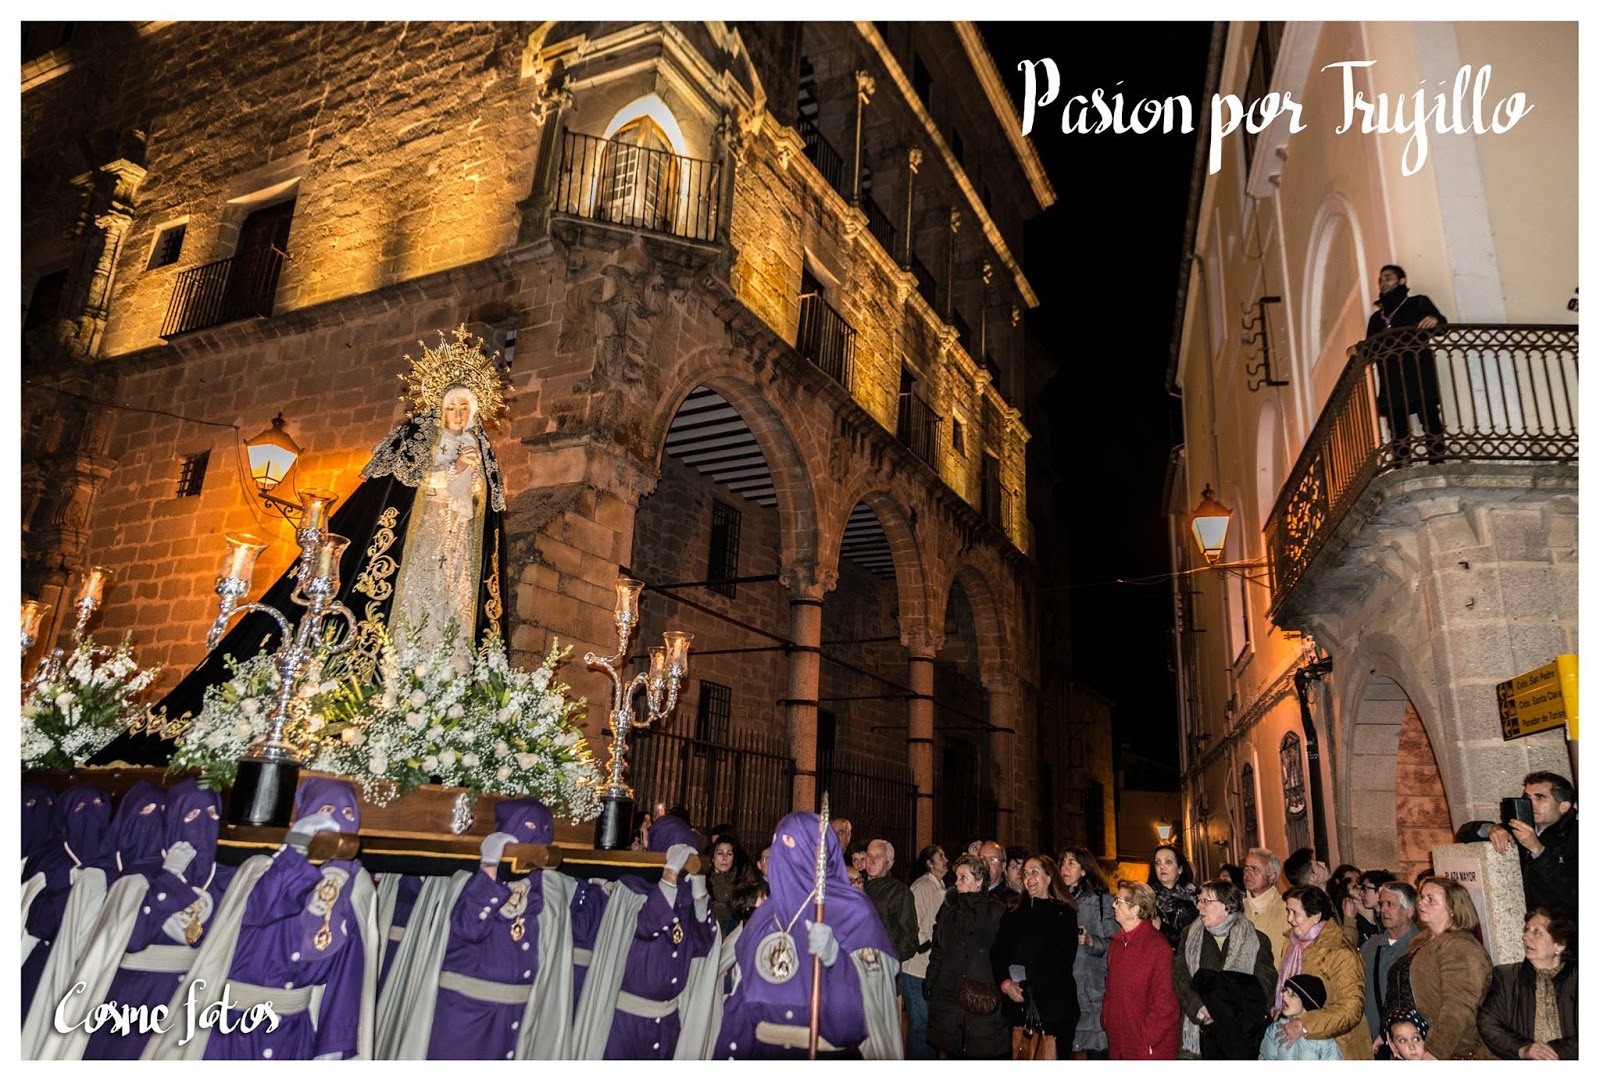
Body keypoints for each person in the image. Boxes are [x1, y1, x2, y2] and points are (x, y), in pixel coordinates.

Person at [100, 328, 510, 764]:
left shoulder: (482, 454)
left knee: (448, 642)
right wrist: (445, 477)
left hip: (456, 569)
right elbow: (393, 496)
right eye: (452, 404)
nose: (459, 412)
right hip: (408, 561)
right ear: (439, 404)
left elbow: (485, 520)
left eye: (467, 406)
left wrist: (468, 479)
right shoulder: (411, 440)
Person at [142, 777, 379, 1059]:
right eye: (325, 811)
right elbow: (260, 909)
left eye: (348, 814)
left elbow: (348, 976)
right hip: (228, 1031)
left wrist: (332, 1049)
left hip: (291, 1038)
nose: (336, 822)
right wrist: (296, 851)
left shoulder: (353, 888)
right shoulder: (260, 870)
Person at [38, 779, 229, 1060]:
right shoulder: (142, 872)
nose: (202, 823)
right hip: (136, 996)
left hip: (191, 997)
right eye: (190, 815)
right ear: (172, 820)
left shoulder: (223, 876)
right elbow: (135, 936)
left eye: (213, 814)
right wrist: (168, 878)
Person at [374, 797, 573, 1059]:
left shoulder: (546, 889)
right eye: (528, 827)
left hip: (516, 1017)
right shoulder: (469, 881)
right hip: (464, 1017)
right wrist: (490, 868)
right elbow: (468, 928)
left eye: (545, 831)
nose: (536, 839)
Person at [710, 809, 902, 1058]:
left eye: (794, 843)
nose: (785, 852)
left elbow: (875, 998)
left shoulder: (853, 909)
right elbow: (741, 993)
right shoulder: (766, 914)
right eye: (781, 842)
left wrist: (837, 961)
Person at [569, 813, 721, 1059]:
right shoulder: (631, 888)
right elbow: (646, 926)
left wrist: (701, 893)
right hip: (627, 1022)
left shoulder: (687, 898)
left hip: (667, 1022)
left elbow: (703, 945)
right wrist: (669, 877)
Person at [1383, 876, 1493, 1059]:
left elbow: (1459, 1006)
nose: (1422, 902)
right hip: (1413, 1043)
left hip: (1453, 1052)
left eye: (1431, 900)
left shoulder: (1461, 947)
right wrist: (1389, 1033)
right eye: (1422, 896)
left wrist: (1435, 1050)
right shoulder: (1423, 940)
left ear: (1452, 909)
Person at [1348, 263, 1449, 456]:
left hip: (1418, 369)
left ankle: (1437, 458)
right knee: (1397, 424)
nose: (1383, 283)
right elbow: (1369, 348)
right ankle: (1401, 463)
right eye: (1380, 280)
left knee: (1428, 416)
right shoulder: (1377, 318)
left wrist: (1435, 320)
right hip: (1391, 376)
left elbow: (1441, 328)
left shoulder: (1418, 303)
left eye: (1388, 278)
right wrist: (1357, 349)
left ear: (1402, 280)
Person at [1170, 878, 1276, 1059]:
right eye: (1199, 900)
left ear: (1227, 906)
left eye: (1206, 901)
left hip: (1240, 1038)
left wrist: (1225, 1012)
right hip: (1199, 1034)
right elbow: (1180, 977)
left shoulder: (1256, 939)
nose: (1198, 907)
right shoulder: (1189, 935)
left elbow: (1264, 984)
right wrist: (1201, 1008)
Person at [992, 855, 1079, 1059]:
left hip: (1054, 1007)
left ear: (1049, 877)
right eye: (1025, 874)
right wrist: (1005, 984)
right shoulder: (1013, 911)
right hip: (1017, 1004)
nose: (1028, 877)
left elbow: (1062, 960)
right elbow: (997, 952)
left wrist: (1031, 987)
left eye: (1034, 872)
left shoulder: (1064, 913)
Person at [1458, 771, 1578, 918]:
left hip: (1561, 926)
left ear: (1564, 806)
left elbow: (1572, 892)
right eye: (1527, 798)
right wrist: (1491, 829)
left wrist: (1537, 850)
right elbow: (1464, 833)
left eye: (1540, 798)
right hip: (1518, 918)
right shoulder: (1519, 826)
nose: (1530, 804)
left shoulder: (1576, 835)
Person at [1272, 886, 1372, 1060]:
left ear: (1316, 916)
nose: (1289, 919)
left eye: (1295, 913)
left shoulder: (1340, 952)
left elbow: (1351, 1009)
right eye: (1288, 911)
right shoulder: (1292, 944)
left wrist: (1305, 1024)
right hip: (1296, 1045)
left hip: (1338, 1046)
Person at [925, 853, 1008, 1058]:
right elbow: (938, 948)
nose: (957, 882)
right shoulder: (949, 908)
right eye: (957, 877)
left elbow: (1005, 953)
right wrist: (930, 981)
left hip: (981, 997)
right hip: (948, 992)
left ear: (979, 881)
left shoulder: (996, 910)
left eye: (964, 877)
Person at [1476, 908, 1577, 1060]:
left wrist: (1553, 1052)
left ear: (1559, 945)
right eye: (1526, 930)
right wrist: (1523, 1048)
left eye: (1536, 932)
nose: (1525, 936)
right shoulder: (1506, 977)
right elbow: (1488, 1022)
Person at [1101, 881, 1180, 1060]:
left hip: (1148, 1048)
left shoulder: (1157, 947)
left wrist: (1146, 1037)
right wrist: (1108, 1020)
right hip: (1119, 1044)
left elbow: (1165, 1003)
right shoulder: (1116, 944)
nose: (1114, 905)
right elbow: (1110, 991)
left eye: (1118, 900)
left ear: (1136, 909)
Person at [1059, 845, 1114, 1059]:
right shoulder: (1056, 901)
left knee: (1096, 1054)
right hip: (1064, 991)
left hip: (1092, 991)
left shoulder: (1102, 901)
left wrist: (1093, 942)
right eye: (1062, 862)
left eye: (1071, 862)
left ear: (1084, 870)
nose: (1064, 867)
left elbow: (1116, 945)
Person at [1361, 880, 1419, 1052]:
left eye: (1390, 904)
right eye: (1381, 904)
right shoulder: (1370, 946)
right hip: (1370, 1044)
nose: (1382, 910)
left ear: (1409, 910)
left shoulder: (1422, 948)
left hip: (1407, 1045)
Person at [902, 844, 947, 1059]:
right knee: (919, 1025)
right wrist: (928, 944)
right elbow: (915, 923)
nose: (945, 859)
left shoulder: (943, 887)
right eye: (941, 856)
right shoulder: (921, 887)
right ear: (930, 863)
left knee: (930, 1026)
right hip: (917, 967)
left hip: (934, 968)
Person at [1259, 974, 1343, 1060]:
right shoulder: (1275, 1029)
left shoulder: (1321, 1038)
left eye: (1293, 994)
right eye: (1285, 990)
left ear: (1307, 1003)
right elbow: (1265, 1057)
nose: (1284, 995)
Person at [862, 838, 918, 964]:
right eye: (869, 856)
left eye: (878, 857)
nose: (871, 861)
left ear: (889, 863)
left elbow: (909, 939)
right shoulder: (857, 885)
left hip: (882, 968)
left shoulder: (899, 892)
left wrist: (886, 959)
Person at [1240, 847, 1289, 969]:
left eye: (1254, 869)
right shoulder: (1238, 908)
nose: (1247, 873)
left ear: (1272, 877)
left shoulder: (1287, 909)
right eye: (1246, 867)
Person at [1146, 843, 1198, 952]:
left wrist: (1162, 928)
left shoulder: (1195, 899)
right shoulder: (1145, 899)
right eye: (1157, 862)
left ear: (1180, 869)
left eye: (1168, 862)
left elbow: (1193, 942)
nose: (1161, 866)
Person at [706, 835, 754, 935]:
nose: (725, 858)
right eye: (720, 853)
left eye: (729, 854)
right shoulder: (704, 881)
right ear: (713, 858)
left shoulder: (741, 882)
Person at [1351, 869, 1395, 946]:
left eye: (1365, 889)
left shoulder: (1393, 916)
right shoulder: (1377, 916)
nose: (1361, 893)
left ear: (1379, 890)